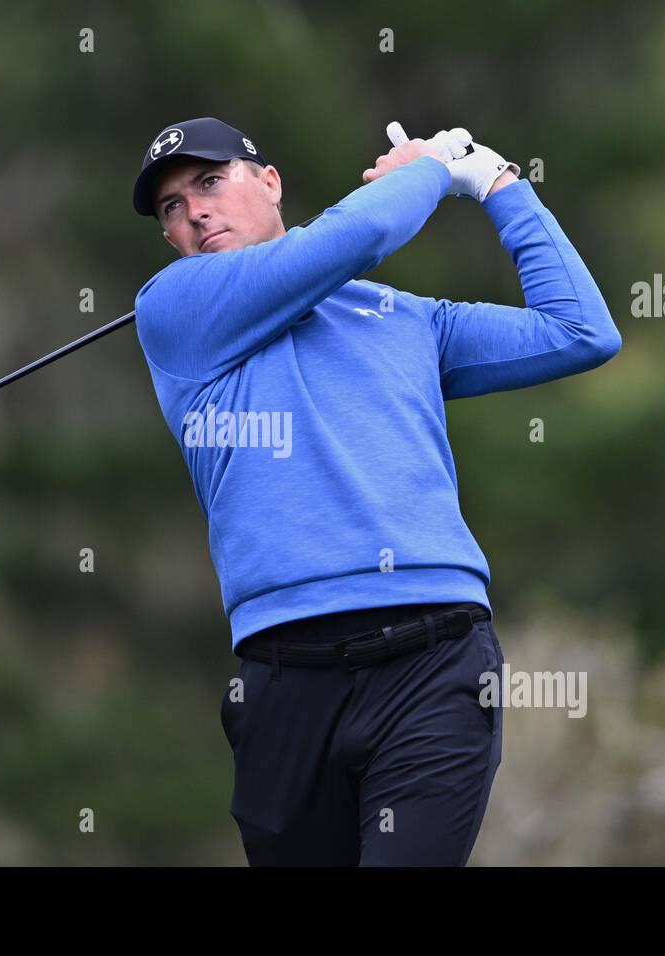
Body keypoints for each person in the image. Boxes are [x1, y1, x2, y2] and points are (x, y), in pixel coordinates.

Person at [130, 116, 621, 866]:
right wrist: (431, 166)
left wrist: (495, 182)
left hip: (434, 662)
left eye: (208, 181)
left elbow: (581, 331)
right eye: (170, 206)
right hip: (285, 678)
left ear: (269, 183)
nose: (192, 211)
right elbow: (355, 236)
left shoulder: (404, 319)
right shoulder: (175, 311)